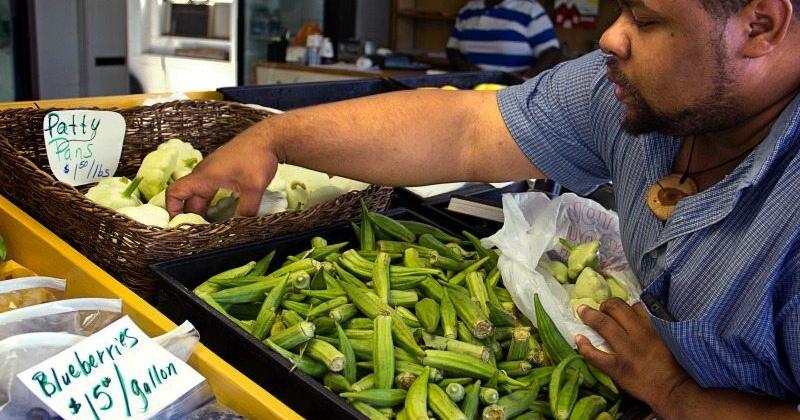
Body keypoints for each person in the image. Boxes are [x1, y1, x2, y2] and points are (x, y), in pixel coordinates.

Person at [168, 0, 800, 417]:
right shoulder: (640, 96)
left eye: (646, 18)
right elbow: (467, 129)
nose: (611, 35)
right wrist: (272, 138)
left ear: (760, 26)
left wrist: (674, 392)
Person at [446, 0, 563, 78]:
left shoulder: (530, 9)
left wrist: (525, 80)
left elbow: (551, 51)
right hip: (472, 87)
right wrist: (466, 68)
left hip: (511, 93)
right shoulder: (468, 10)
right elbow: (452, 49)